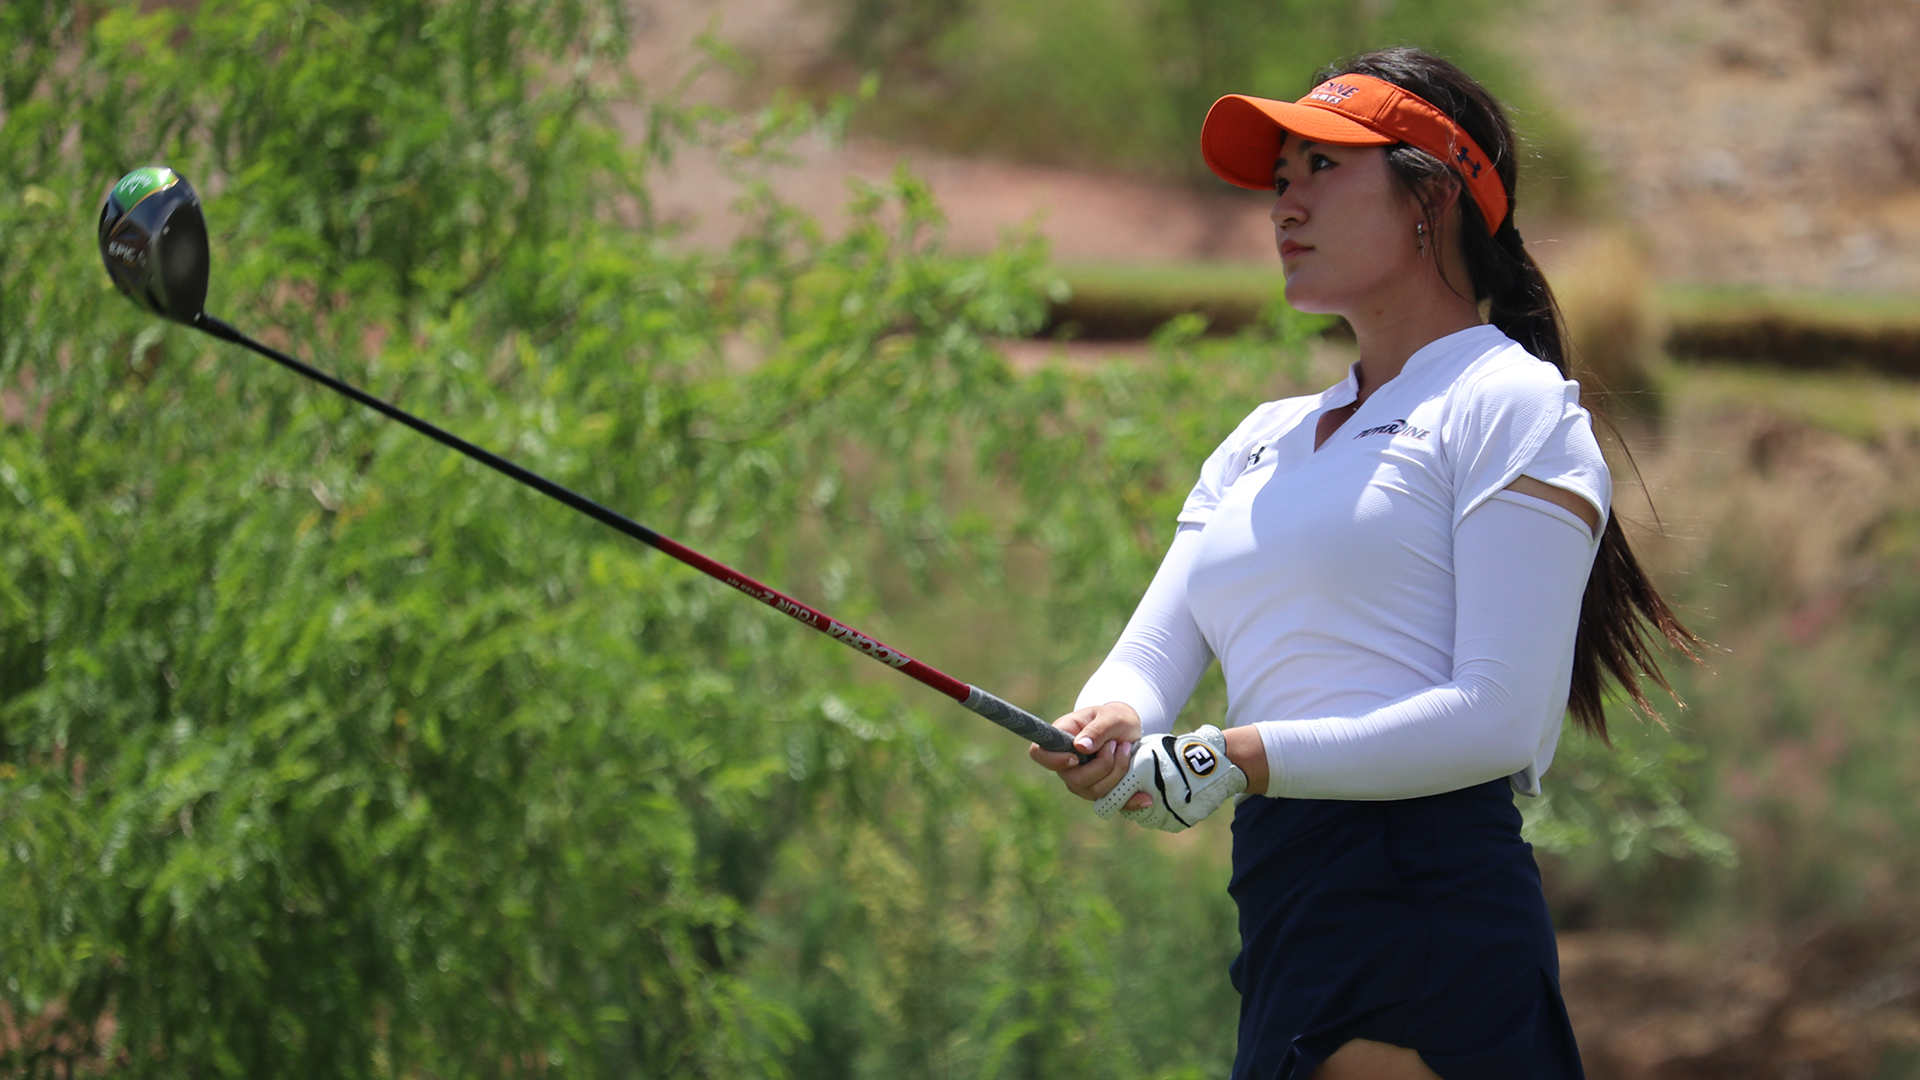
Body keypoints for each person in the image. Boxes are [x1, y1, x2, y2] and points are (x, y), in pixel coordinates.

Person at [1028, 47, 1698, 1080]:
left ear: (1431, 196)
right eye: (1280, 180)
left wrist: (1240, 757)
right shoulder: (1260, 439)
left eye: (1321, 169)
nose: (1282, 206)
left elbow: (1500, 718)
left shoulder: (1507, 403)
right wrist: (1110, 722)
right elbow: (1153, 653)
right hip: (1287, 909)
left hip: (1422, 906)